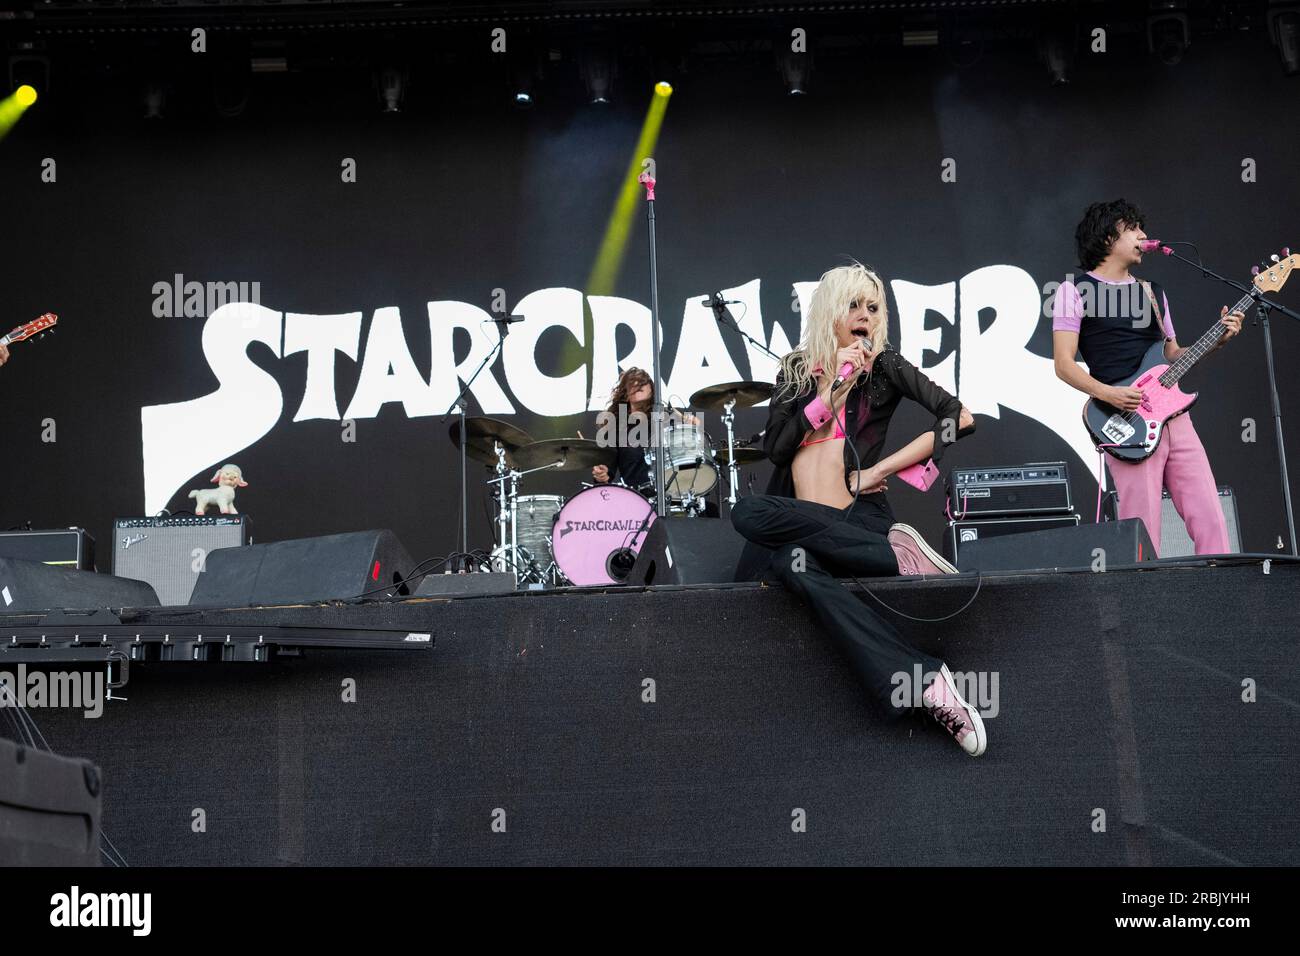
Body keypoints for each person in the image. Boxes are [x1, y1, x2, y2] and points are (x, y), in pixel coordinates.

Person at [730, 262, 986, 756]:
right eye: (854, 305)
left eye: (873, 307)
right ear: (831, 312)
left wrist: (876, 471)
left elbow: (961, 418)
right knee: (750, 518)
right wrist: (831, 390)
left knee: (789, 563)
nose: (865, 315)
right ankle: (905, 592)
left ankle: (922, 674)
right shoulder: (796, 370)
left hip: (861, 518)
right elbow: (778, 449)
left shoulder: (886, 366)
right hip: (811, 527)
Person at [1052, 199, 1242, 555]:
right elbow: (1063, 364)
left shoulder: (1153, 292)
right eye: (1134, 229)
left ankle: (1221, 599)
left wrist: (1217, 339)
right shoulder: (1073, 291)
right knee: (1143, 528)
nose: (1144, 236)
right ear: (1109, 237)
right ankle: (1141, 608)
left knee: (1211, 518)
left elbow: (1172, 355)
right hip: (1125, 418)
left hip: (1175, 415)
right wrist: (1107, 394)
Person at [591, 367, 703, 493]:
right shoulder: (615, 427)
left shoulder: (667, 418)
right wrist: (602, 474)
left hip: (672, 493)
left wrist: (691, 429)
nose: (638, 385)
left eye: (643, 382)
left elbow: (687, 457)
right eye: (632, 383)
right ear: (625, 394)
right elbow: (607, 470)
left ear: (652, 389)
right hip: (636, 498)